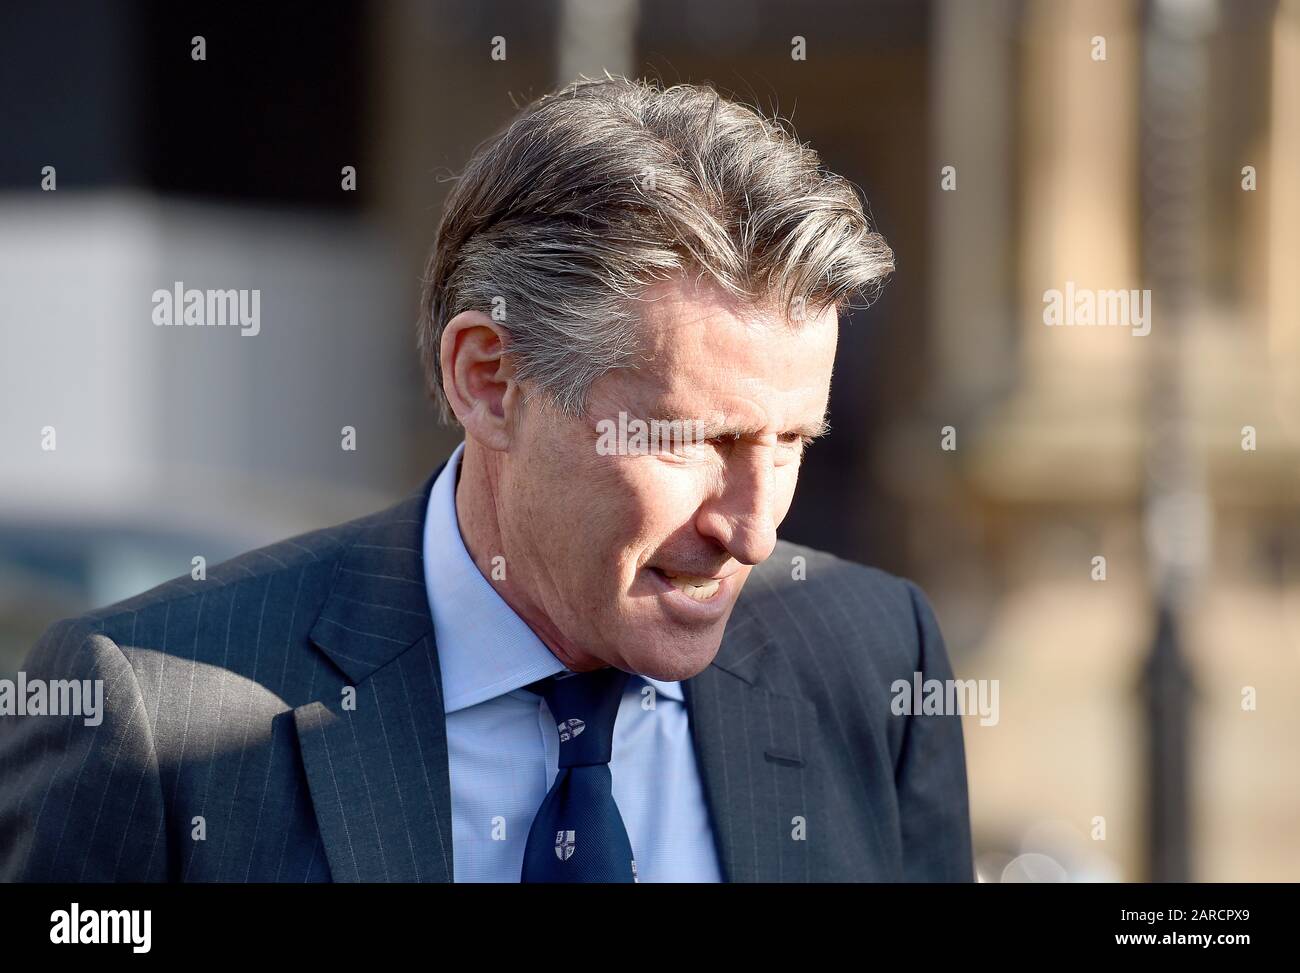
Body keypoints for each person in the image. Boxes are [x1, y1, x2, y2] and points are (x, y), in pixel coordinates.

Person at [0, 75, 972, 883]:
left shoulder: (874, 654)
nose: (752, 529)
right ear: (489, 380)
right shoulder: (147, 716)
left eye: (792, 440)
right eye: (691, 440)